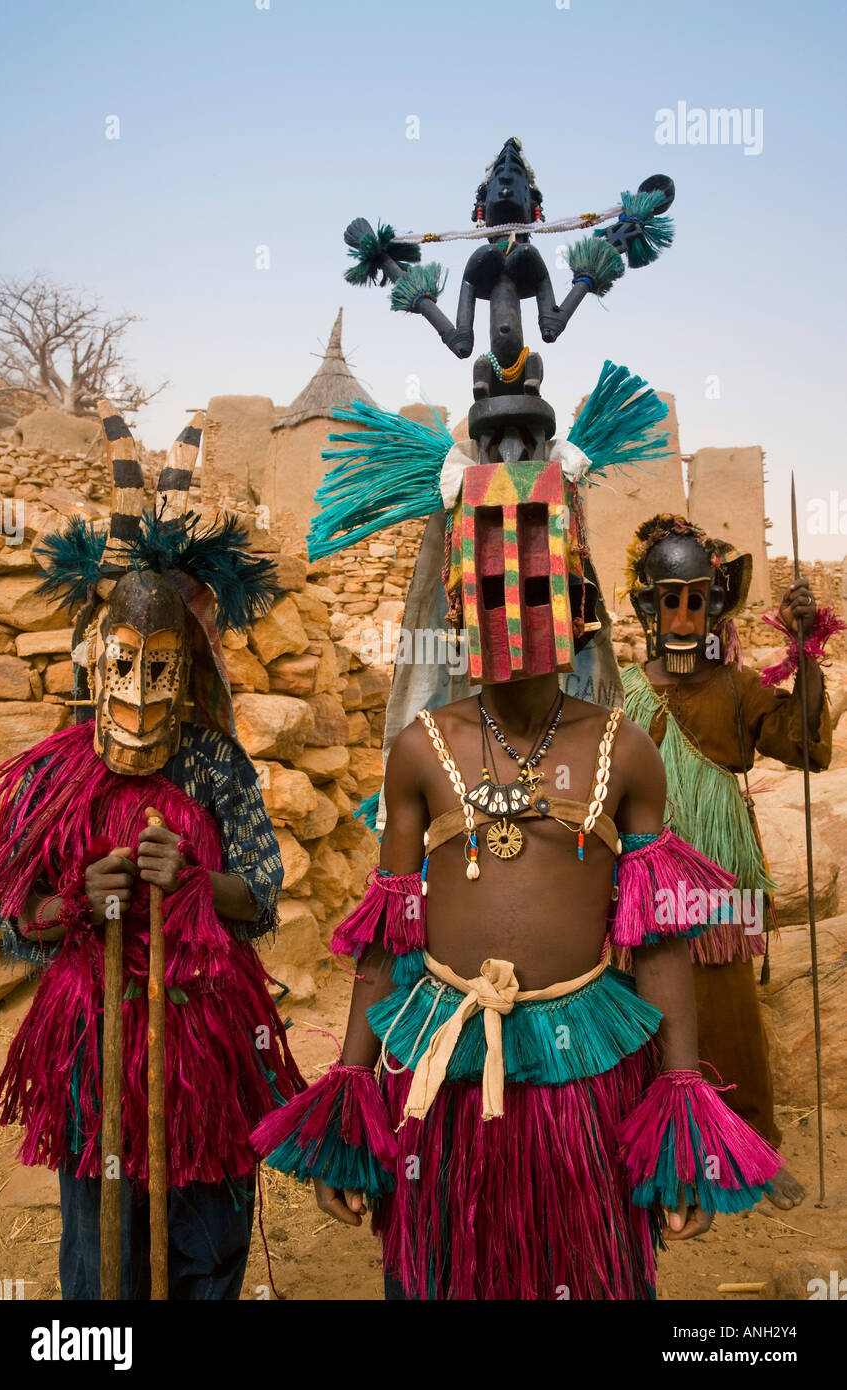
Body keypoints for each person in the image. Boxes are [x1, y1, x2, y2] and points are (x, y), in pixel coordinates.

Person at [252, 403, 781, 1301]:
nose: (510, 613)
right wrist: (352, 1088)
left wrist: (681, 1101)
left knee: (589, 1273)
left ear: (579, 608)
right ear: (458, 608)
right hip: (445, 1065)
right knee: (440, 1273)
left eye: (536, 591)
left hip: (584, 1071)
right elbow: (386, 940)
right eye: (487, 592)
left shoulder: (625, 751)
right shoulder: (421, 750)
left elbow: (659, 944)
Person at [0, 402, 303, 1299]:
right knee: (102, 1253)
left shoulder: (216, 764)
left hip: (205, 1031)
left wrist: (201, 885)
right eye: (124, 664)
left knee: (207, 1241)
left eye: (161, 668)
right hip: (94, 1033)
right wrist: (76, 901)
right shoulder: (54, 775)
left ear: (186, 667)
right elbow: (17, 923)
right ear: (97, 658)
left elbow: (263, 893)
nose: (140, 689)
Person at [619, 513, 839, 1211]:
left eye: (698, 600)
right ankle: (654, 1145)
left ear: (715, 608)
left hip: (720, 877)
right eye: (671, 600)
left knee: (728, 1005)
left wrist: (804, 654)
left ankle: (751, 1144)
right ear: (649, 608)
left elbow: (805, 746)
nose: (685, 617)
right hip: (640, 878)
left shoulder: (738, 686)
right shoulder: (621, 690)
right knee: (636, 1001)